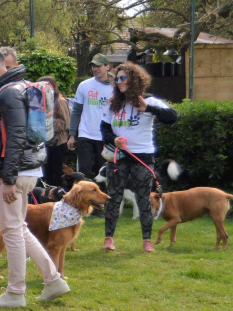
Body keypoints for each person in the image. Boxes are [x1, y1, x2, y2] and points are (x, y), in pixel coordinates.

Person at [0, 45, 70, 308]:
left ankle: (16, 292)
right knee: (19, 228)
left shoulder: (7, 93)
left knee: (11, 231)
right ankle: (53, 279)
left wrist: (8, 179)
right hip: (26, 170)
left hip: (14, 172)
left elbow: (15, 136)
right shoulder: (20, 88)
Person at [101, 62, 178, 252]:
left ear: (134, 80)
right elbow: (105, 129)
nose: (118, 82)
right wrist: (114, 139)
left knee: (143, 199)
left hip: (142, 158)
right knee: (114, 198)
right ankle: (108, 239)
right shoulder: (113, 103)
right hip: (118, 157)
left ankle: (147, 241)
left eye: (122, 78)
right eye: (116, 79)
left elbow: (173, 117)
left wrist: (149, 108)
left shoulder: (149, 100)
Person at [69, 53, 112, 180]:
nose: (95, 69)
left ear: (107, 67)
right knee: (83, 172)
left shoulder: (115, 86)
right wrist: (72, 134)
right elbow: (76, 111)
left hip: (105, 137)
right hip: (85, 135)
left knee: (103, 173)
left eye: (98, 66)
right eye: (93, 66)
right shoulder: (84, 85)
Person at [38, 76, 71, 187]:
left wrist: (46, 121)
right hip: (45, 141)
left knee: (57, 172)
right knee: (46, 172)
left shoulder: (60, 101)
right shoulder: (40, 101)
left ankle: (57, 193)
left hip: (58, 142)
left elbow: (65, 123)